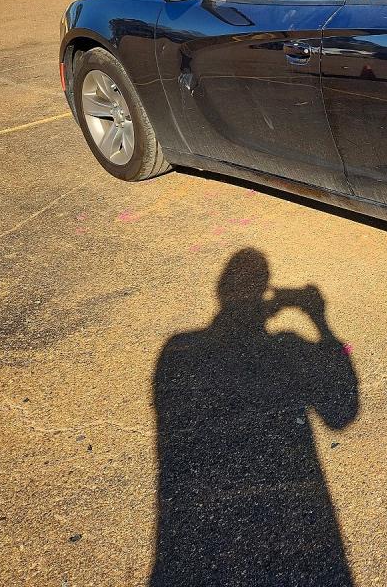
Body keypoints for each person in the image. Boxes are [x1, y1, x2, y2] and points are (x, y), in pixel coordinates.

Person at [150, 248, 358, 585]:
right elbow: (341, 411)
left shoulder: (179, 352)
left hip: (200, 541)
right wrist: (319, 319)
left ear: (221, 293)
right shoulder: (286, 351)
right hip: (295, 532)